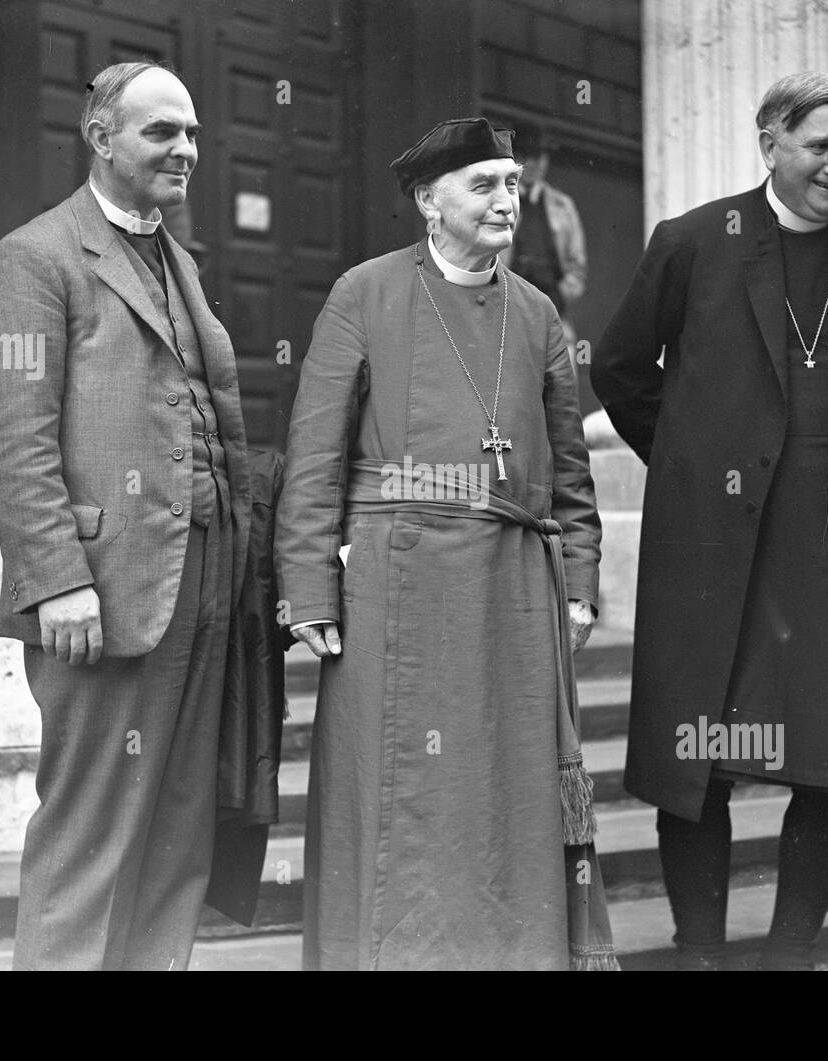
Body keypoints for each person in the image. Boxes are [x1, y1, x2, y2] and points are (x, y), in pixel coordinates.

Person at [592, 72, 828, 970]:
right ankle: (700, 951)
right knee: (699, 765)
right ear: (770, 143)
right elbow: (620, 370)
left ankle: (791, 949)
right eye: (819, 147)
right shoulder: (694, 244)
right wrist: (689, 473)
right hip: (723, 556)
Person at [275, 117, 608, 970]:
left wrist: (578, 582)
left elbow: (569, 471)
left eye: (511, 184)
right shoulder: (366, 292)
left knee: (504, 798)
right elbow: (315, 449)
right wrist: (308, 587)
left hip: (512, 589)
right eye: (484, 184)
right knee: (402, 804)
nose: (507, 199)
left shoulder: (535, 313)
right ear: (430, 202)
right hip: (397, 585)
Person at [0, 62, 252, 970]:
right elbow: (10, 443)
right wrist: (57, 581)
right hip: (104, 591)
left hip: (203, 579)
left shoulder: (180, 261)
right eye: (162, 132)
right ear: (101, 138)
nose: (186, 150)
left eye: (195, 134)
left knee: (176, 835)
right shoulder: (30, 259)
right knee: (89, 838)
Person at [498, 119, 587, 344]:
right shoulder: (498, 200)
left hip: (552, 312)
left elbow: (577, 267)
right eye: (526, 156)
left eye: (540, 156)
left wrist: (559, 297)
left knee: (561, 374)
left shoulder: (562, 206)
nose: (534, 164)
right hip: (505, 312)